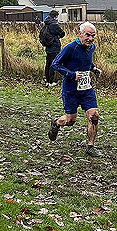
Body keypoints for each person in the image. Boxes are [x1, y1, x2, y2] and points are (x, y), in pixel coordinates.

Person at [48, 21, 102, 157]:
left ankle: (90, 146)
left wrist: (93, 68)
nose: (90, 38)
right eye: (87, 35)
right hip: (71, 89)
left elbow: (85, 62)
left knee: (94, 116)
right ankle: (56, 123)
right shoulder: (70, 48)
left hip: (86, 89)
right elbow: (55, 64)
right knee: (70, 121)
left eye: (93, 36)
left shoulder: (91, 47)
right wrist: (72, 74)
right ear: (80, 34)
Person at [41, 9, 65, 86]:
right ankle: (51, 82)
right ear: (55, 16)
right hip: (54, 46)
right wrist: (57, 35)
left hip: (48, 46)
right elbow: (62, 34)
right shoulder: (54, 24)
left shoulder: (46, 23)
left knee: (48, 64)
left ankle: (48, 81)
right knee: (53, 64)